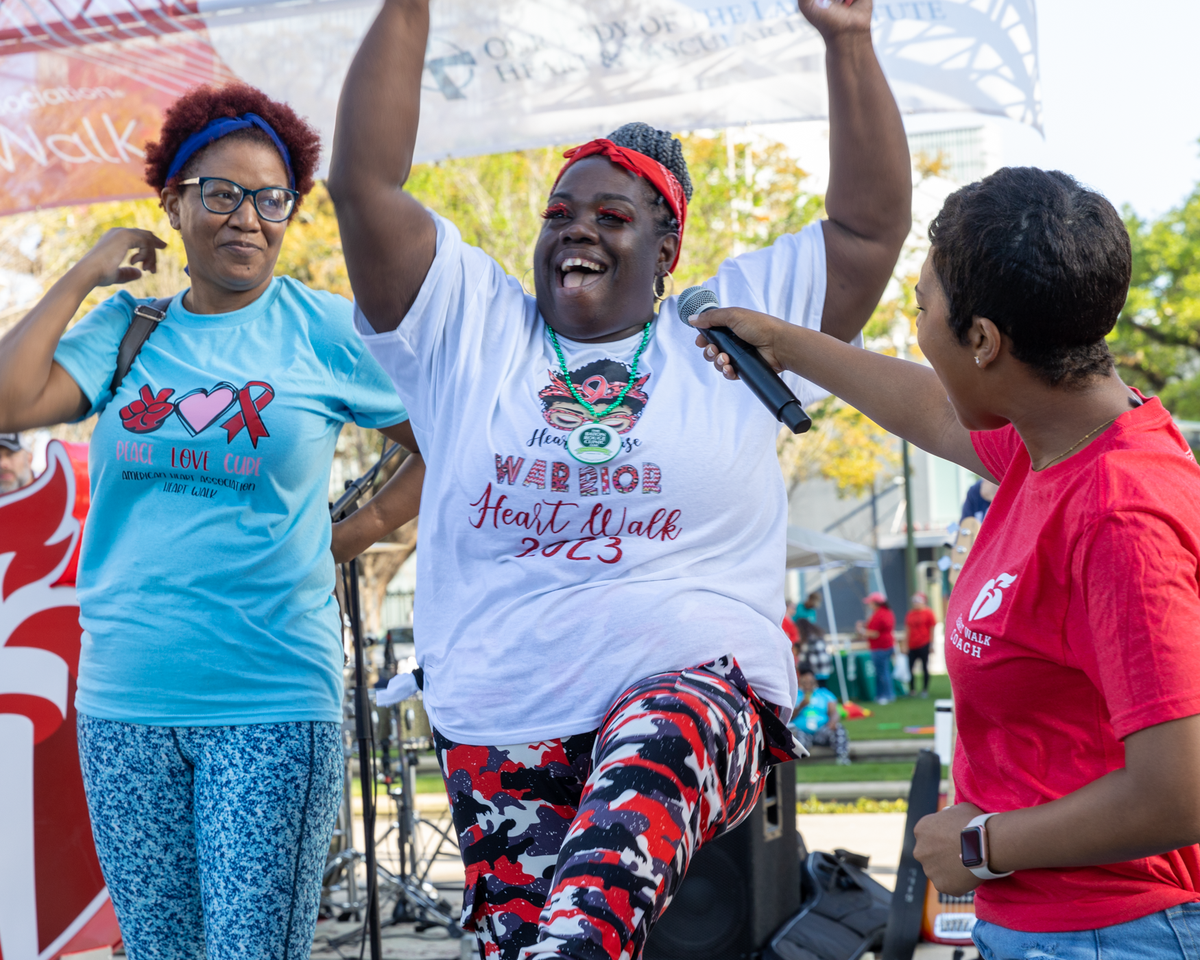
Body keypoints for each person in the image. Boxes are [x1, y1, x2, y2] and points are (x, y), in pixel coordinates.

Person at [327, 0, 911, 956]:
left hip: (687, 692)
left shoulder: (729, 333)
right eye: (558, 214)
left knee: (591, 911)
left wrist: (849, 41)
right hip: (500, 721)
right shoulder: (469, 329)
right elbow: (363, 185)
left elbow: (868, 228)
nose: (576, 231)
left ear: (668, 251)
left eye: (611, 216)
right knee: (536, 940)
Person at [690, 167, 1200, 953]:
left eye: (922, 307)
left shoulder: (1119, 515)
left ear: (986, 341)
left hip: (1113, 932)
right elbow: (929, 407)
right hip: (1056, 926)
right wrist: (785, 343)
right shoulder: (1055, 440)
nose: (917, 326)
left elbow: (1179, 791)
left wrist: (980, 846)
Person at [0, 83, 424, 960]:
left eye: (271, 199)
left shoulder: (321, 329)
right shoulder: (129, 327)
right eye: (221, 194)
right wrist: (82, 274)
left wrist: (351, 530)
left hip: (268, 701)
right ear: (174, 203)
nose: (247, 218)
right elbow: (10, 396)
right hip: (124, 703)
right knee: (159, 953)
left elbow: (443, 441)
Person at [791, 664, 850, 765]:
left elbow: (834, 713)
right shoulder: (795, 695)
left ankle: (843, 758)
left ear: (815, 682)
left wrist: (832, 723)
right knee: (793, 734)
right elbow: (788, 718)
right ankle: (795, 763)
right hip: (802, 733)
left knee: (839, 729)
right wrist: (800, 706)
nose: (807, 685)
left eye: (810, 682)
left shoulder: (824, 694)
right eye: (804, 683)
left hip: (822, 731)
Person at [858, 592, 895, 704]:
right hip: (885, 645)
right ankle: (882, 695)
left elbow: (874, 633)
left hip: (880, 647)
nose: (869, 605)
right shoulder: (886, 612)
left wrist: (862, 630)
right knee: (883, 672)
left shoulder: (879, 614)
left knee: (882, 672)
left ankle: (886, 695)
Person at [904, 591, 936, 697]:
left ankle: (924, 689)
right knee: (910, 668)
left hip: (924, 643)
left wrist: (931, 644)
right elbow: (907, 629)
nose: (915, 603)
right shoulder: (910, 614)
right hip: (912, 644)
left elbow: (932, 629)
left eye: (918, 601)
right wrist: (905, 644)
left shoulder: (928, 613)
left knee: (924, 667)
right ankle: (912, 689)